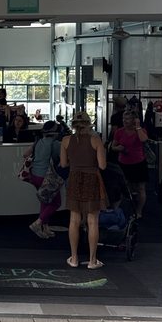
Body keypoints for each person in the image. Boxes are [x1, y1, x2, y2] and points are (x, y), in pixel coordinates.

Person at [60, 111, 108, 269]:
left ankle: (74, 258)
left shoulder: (66, 140)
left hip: (74, 179)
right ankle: (92, 261)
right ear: (89, 124)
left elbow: (63, 164)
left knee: (74, 220)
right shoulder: (96, 140)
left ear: (73, 125)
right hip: (91, 180)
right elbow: (102, 166)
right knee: (92, 220)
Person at [110, 109, 149, 218]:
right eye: (124, 119)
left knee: (141, 188)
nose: (124, 121)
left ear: (134, 120)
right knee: (123, 187)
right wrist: (121, 149)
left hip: (138, 162)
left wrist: (137, 126)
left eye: (127, 119)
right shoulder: (119, 132)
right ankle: (118, 211)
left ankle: (139, 211)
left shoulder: (140, 130)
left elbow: (143, 139)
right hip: (124, 163)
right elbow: (113, 147)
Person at [28, 120, 62, 238]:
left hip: (35, 175)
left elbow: (26, 154)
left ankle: (44, 228)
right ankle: (38, 223)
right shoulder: (56, 144)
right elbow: (63, 160)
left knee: (45, 201)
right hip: (47, 177)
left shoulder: (38, 142)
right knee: (56, 203)